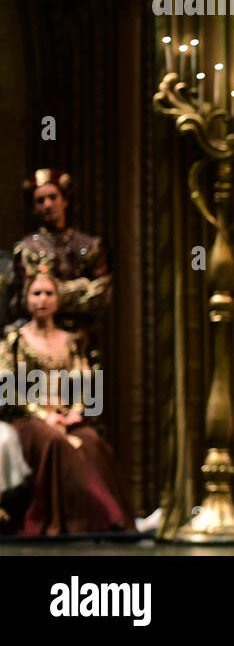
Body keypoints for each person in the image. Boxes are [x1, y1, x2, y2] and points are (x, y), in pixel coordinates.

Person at [0, 266, 131, 534]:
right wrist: (43, 415)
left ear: (58, 299)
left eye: (49, 293)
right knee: (55, 443)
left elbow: (85, 384)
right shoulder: (14, 341)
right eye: (36, 293)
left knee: (92, 442)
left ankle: (105, 520)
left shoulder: (71, 341)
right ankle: (84, 518)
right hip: (29, 419)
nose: (42, 300)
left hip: (65, 415)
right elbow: (7, 388)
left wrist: (76, 412)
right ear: (27, 298)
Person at [10, 169, 112, 355]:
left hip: (84, 340)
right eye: (40, 201)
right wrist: (81, 287)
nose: (47, 204)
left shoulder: (90, 246)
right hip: (39, 343)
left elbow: (101, 295)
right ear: (34, 208)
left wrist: (55, 292)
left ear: (64, 200)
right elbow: (31, 297)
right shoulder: (27, 249)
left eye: (52, 197)